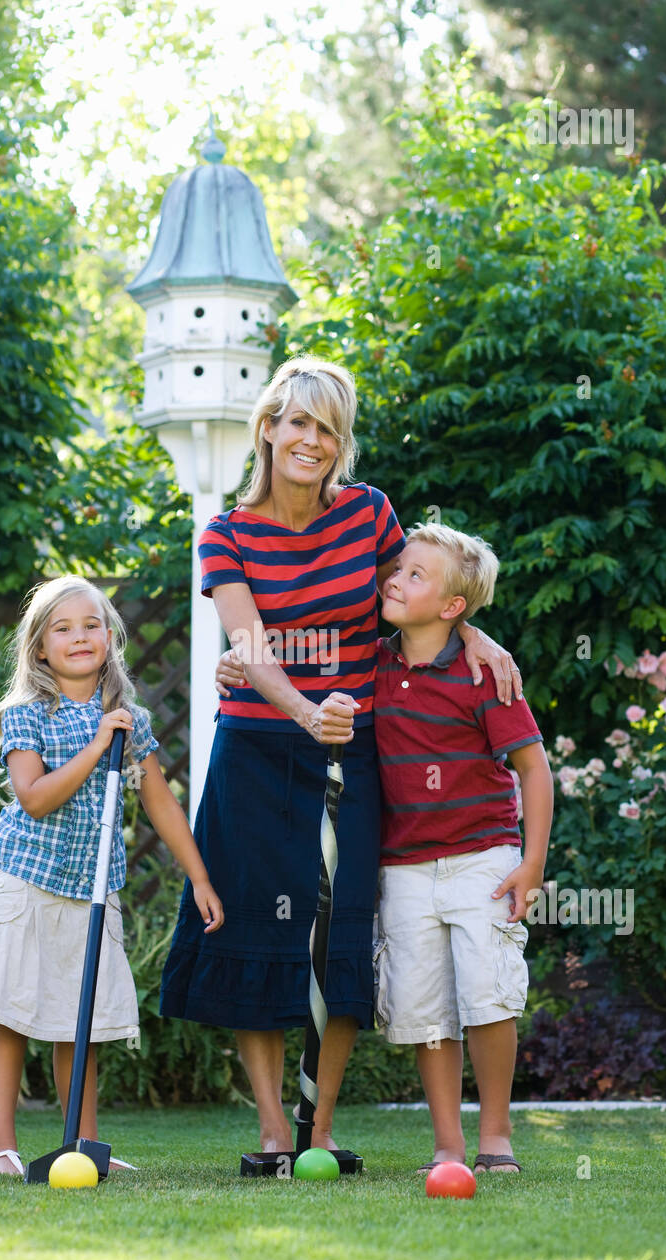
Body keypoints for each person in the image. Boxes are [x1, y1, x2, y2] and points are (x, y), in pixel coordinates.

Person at [163, 354, 522, 1155]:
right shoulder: (225, 534)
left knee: (341, 937)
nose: (312, 440)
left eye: (329, 428)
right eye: (298, 421)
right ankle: (271, 1130)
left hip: (353, 756)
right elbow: (248, 643)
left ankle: (318, 1131)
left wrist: (479, 633)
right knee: (254, 931)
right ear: (268, 427)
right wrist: (301, 712)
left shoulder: (368, 514)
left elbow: (422, 599)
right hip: (257, 751)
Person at [0, 576, 223, 1177]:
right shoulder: (26, 715)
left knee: (83, 1023)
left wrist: (198, 877)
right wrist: (99, 744)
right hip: (29, 884)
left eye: (91, 625)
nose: (79, 636)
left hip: (95, 889)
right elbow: (36, 797)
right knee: (11, 1013)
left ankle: (83, 1146)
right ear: (39, 647)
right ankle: (0, 1149)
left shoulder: (130, 719)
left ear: (111, 637)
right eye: (62, 628)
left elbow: (161, 803)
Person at [373, 523, 553, 1174]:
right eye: (399, 567)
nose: (396, 578)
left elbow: (534, 769)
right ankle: (447, 1146)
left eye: (417, 575)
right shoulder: (375, 663)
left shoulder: (484, 673)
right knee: (424, 1010)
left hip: (485, 858)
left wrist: (530, 863)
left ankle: (496, 1138)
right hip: (406, 866)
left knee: (488, 996)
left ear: (453, 607)